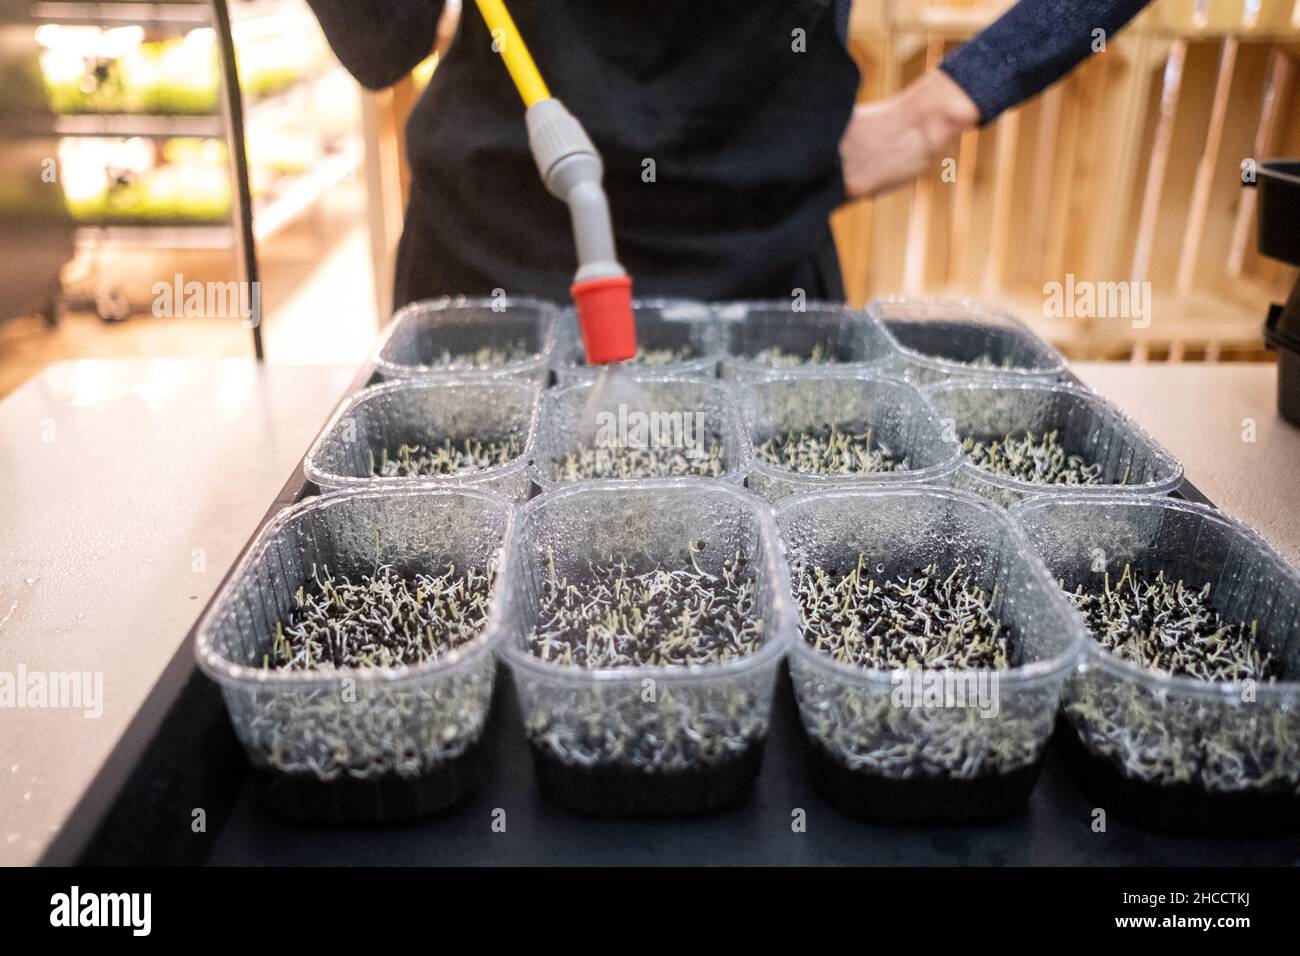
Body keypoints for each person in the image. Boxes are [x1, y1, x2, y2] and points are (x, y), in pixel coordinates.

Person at [305, 0, 1152, 309]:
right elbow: (385, 42)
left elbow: (382, 39)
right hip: (487, 278)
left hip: (759, 281)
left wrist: (953, 98)